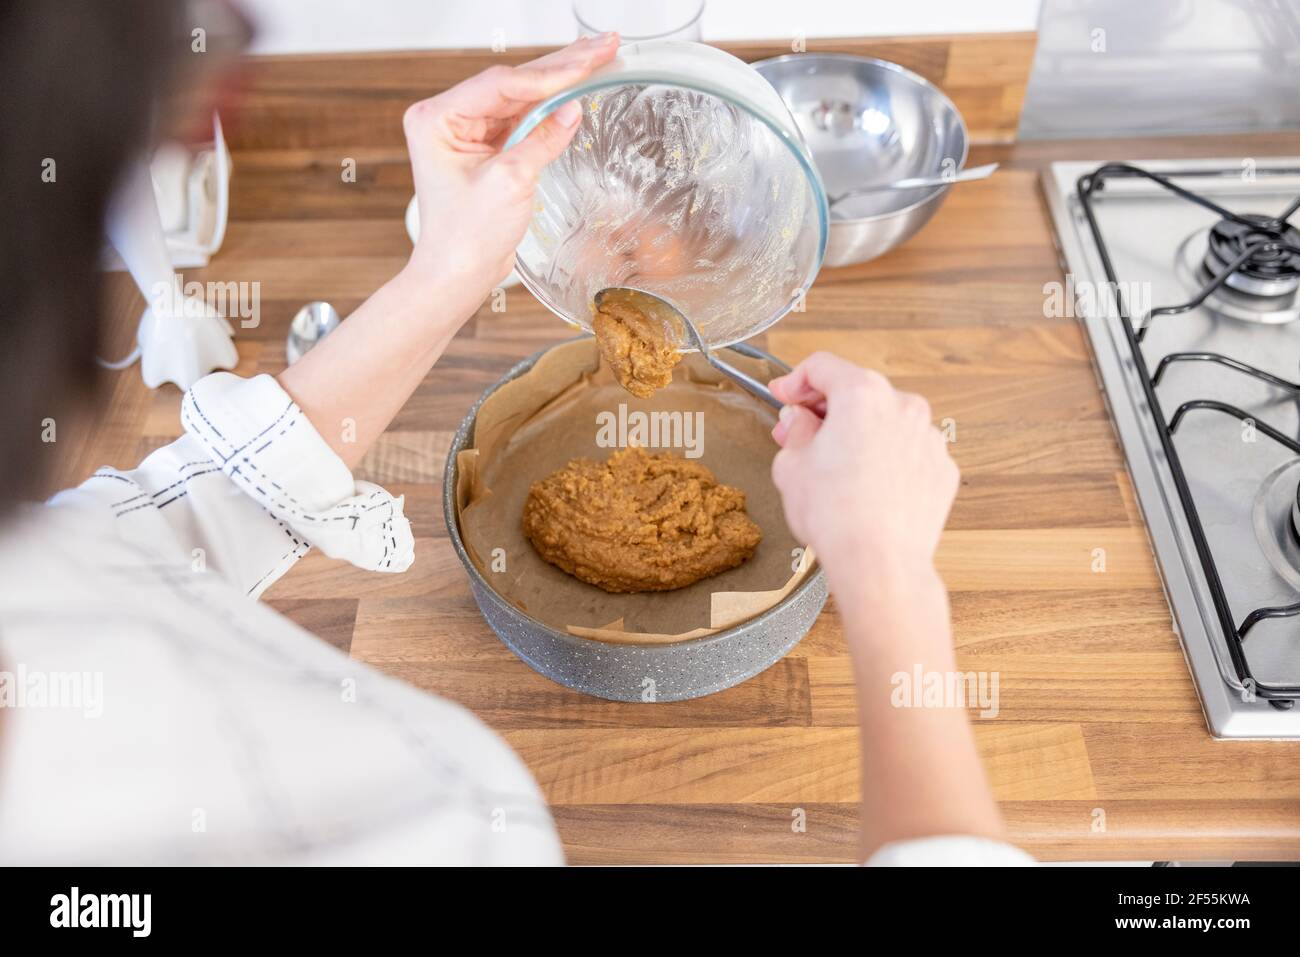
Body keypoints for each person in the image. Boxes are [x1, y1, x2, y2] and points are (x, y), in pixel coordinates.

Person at [0, 1, 1031, 865]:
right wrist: (891, 576)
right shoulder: (370, 822)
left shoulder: (36, 577)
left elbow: (177, 521)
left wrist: (444, 272)